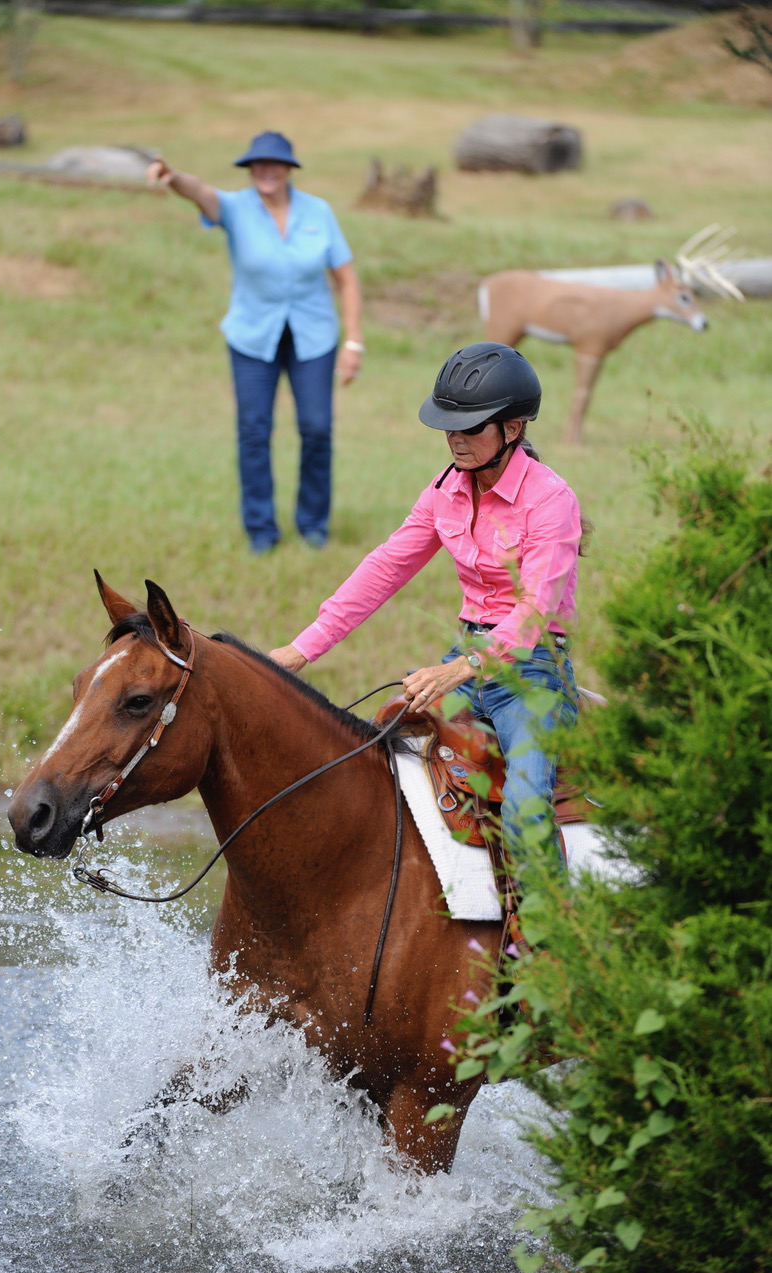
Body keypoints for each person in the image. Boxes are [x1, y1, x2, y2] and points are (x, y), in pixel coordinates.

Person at [270, 341, 582, 869]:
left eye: (470, 427)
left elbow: (533, 612)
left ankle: (549, 941)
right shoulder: (444, 490)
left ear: (513, 428)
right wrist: (303, 651)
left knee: (527, 810)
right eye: (448, 427)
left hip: (533, 675)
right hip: (463, 659)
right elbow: (384, 569)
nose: (455, 440)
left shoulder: (552, 501)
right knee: (371, 764)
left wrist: (460, 668)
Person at [147, 131, 363, 553]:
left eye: (275, 163)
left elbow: (346, 277)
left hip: (313, 336)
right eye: (258, 164)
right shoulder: (235, 207)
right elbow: (200, 193)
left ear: (288, 168)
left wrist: (354, 341)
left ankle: (313, 524)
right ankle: (261, 530)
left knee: (317, 428)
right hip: (252, 337)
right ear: (250, 169)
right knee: (253, 430)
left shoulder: (318, 212)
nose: (266, 170)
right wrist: (173, 177)